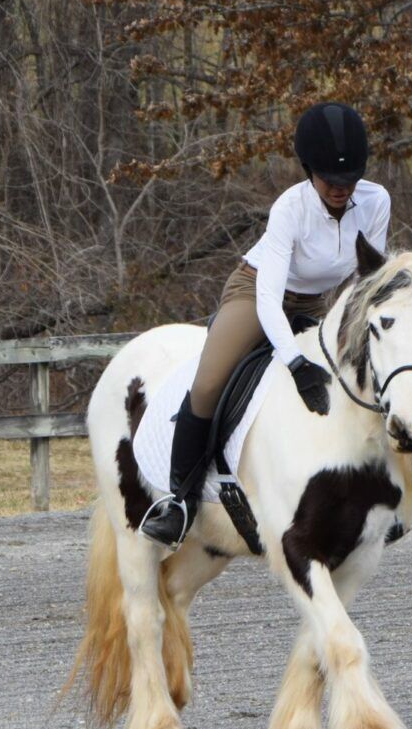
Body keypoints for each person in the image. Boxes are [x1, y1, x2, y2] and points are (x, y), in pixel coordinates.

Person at [139, 102, 391, 547]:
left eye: (349, 179)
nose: (340, 188)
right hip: (255, 294)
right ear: (308, 169)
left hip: (317, 303)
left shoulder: (374, 202)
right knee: (208, 385)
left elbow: (368, 281)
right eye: (331, 180)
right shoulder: (289, 208)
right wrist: (295, 363)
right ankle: (179, 502)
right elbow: (270, 301)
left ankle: (374, 496)